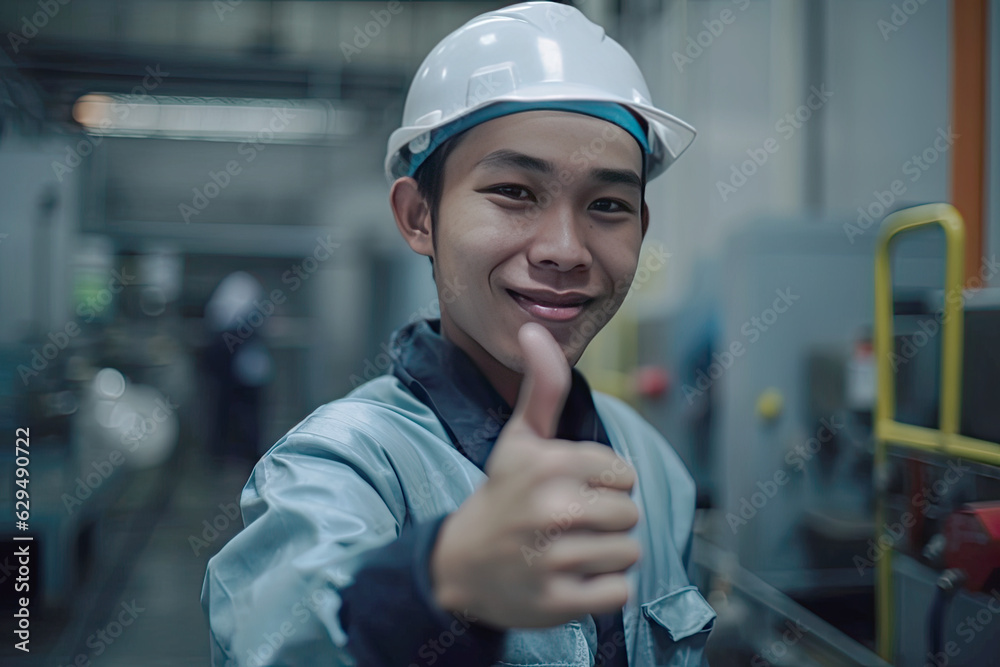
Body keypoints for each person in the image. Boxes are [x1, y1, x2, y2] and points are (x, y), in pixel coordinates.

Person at [201, 2, 715, 665]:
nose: (565, 248)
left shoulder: (648, 464)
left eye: (607, 205)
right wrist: (434, 584)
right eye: (514, 191)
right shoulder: (336, 467)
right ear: (418, 216)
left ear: (641, 229)